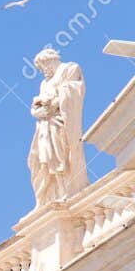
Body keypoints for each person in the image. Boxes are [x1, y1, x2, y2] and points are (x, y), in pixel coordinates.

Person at [28, 46, 88, 207]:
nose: (43, 71)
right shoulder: (44, 83)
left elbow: (74, 90)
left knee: (59, 157)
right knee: (40, 160)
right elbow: (37, 107)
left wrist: (52, 103)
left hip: (61, 123)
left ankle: (66, 191)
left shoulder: (70, 69)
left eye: (44, 66)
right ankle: (50, 196)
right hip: (44, 126)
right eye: (40, 69)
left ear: (52, 60)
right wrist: (38, 110)